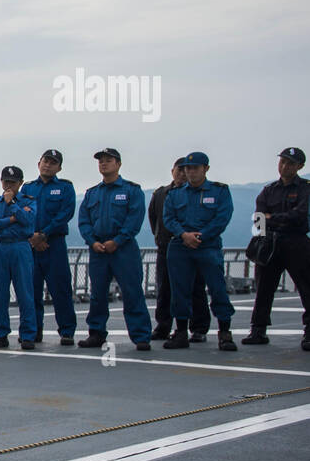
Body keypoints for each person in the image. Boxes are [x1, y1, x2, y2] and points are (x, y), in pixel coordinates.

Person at [76, 148, 153, 351]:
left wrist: (117, 241)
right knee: (98, 294)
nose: (103, 164)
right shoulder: (92, 193)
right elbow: (84, 221)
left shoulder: (132, 191)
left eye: (108, 160)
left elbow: (134, 220)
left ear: (118, 164)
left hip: (123, 250)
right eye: (101, 161)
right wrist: (92, 241)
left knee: (132, 292)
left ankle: (141, 336)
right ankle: (96, 333)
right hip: (98, 250)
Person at [161, 152, 237, 351]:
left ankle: (225, 332)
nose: (190, 171)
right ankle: (181, 332)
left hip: (208, 246)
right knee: (179, 291)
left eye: (195, 168)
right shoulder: (175, 194)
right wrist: (184, 235)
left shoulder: (219, 191)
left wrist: (200, 237)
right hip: (180, 246)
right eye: (187, 168)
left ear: (206, 169)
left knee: (217, 288)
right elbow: (168, 219)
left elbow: (222, 218)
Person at [245, 147, 310, 350]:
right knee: (263, 288)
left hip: (297, 243)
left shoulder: (305, 188)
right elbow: (259, 220)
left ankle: (309, 332)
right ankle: (258, 330)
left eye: (290, 163)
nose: (284, 166)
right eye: (282, 162)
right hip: (270, 243)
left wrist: (273, 219)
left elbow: (301, 215)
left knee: (307, 288)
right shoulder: (269, 190)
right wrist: (274, 221)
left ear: (300, 166)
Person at [147, 158, 210, 341]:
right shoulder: (160, 194)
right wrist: (160, 236)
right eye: (179, 169)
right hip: (166, 248)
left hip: (191, 248)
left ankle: (198, 328)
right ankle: (163, 325)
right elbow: (154, 218)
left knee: (196, 288)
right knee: (164, 289)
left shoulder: (196, 193)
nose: (183, 173)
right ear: (172, 171)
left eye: (186, 169)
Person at [20, 149, 77, 345]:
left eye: (53, 163)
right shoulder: (27, 188)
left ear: (59, 167)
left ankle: (67, 331)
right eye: (45, 161)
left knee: (60, 289)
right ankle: (34, 330)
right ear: (38, 163)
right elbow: (21, 213)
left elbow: (65, 213)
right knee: (31, 290)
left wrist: (44, 235)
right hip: (31, 245)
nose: (48, 165)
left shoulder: (65, 188)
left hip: (55, 244)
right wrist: (32, 237)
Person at [0, 166, 37, 349]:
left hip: (21, 246)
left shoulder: (29, 202)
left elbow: (28, 224)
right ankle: (0, 333)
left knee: (25, 293)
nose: (8, 185)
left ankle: (28, 335)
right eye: (6, 181)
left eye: (12, 182)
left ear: (20, 183)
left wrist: (12, 205)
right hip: (1, 247)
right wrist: (12, 220)